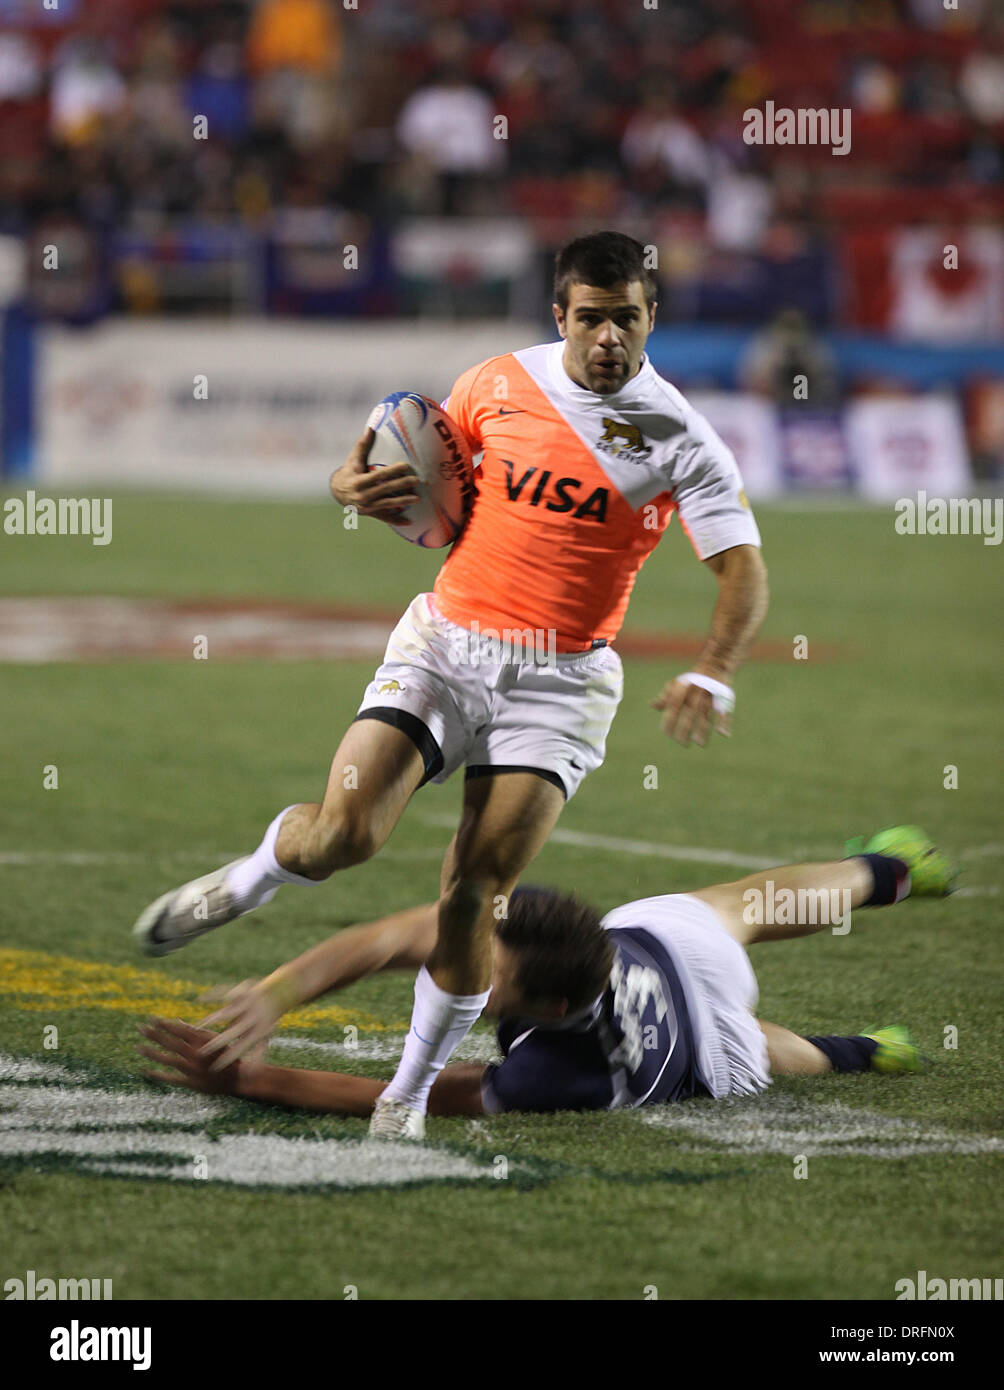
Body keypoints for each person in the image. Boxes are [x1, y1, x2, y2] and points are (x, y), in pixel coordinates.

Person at [132, 230, 769, 1140]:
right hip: (447, 644)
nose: (608, 340)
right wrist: (349, 486)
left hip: (562, 682)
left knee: (475, 892)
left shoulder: (680, 437)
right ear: (561, 315)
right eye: (590, 319)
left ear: (650, 316)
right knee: (340, 837)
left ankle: (405, 1095)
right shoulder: (495, 383)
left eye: (626, 319)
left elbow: (743, 569)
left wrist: (716, 670)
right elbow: (418, 480)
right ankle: (255, 876)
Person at [139, 827, 957, 1120]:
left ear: (550, 1007)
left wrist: (251, 1082)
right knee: (741, 905)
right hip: (662, 953)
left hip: (701, 1050)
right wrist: (275, 994)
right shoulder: (526, 929)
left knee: (746, 1044)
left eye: (489, 978)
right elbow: (391, 937)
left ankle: (862, 1050)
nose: (467, 971)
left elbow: (405, 1096)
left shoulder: (548, 1074)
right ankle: (888, 868)